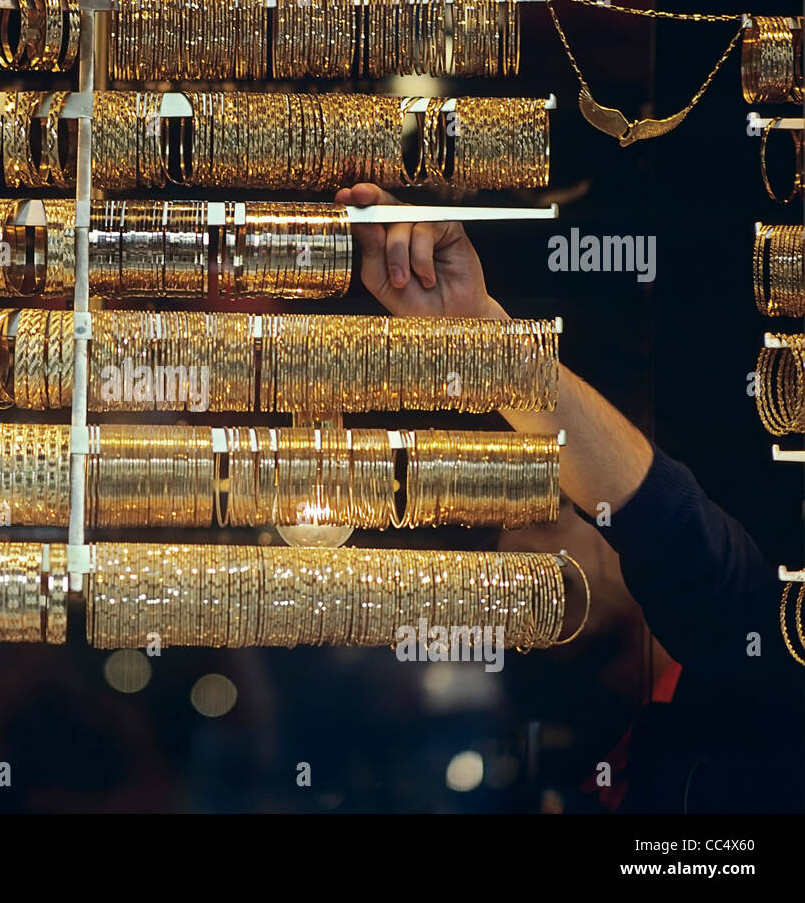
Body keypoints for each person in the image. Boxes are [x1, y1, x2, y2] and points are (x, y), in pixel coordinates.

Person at [336, 182, 805, 813]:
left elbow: (668, 522)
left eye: (553, 509)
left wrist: (478, 333)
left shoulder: (762, 672)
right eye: (505, 525)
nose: (519, 547)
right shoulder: (578, 769)